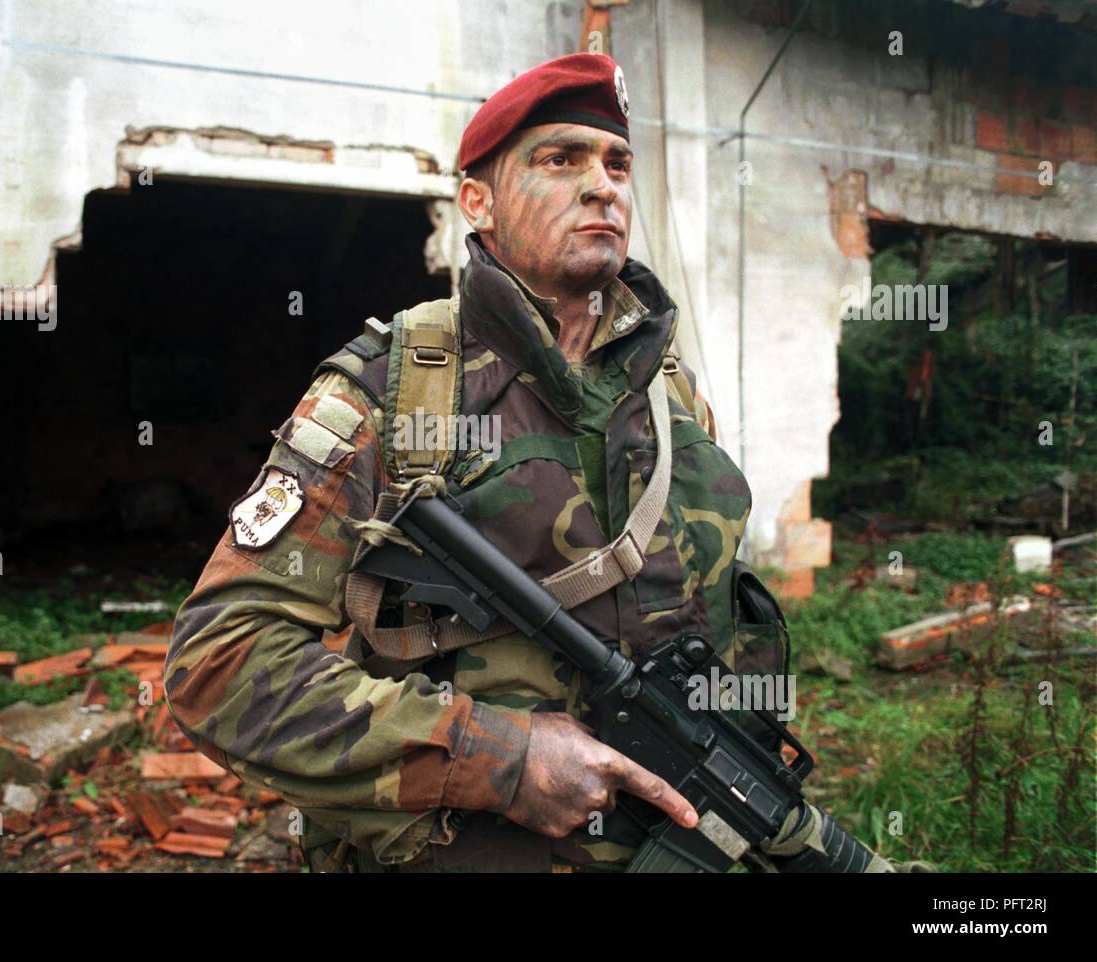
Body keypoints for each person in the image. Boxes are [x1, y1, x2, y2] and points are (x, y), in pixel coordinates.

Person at [164, 52, 909, 873]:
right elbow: (221, 663)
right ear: (477, 202)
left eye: (618, 162)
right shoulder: (391, 391)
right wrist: (500, 760)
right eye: (561, 159)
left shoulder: (673, 397)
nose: (604, 186)